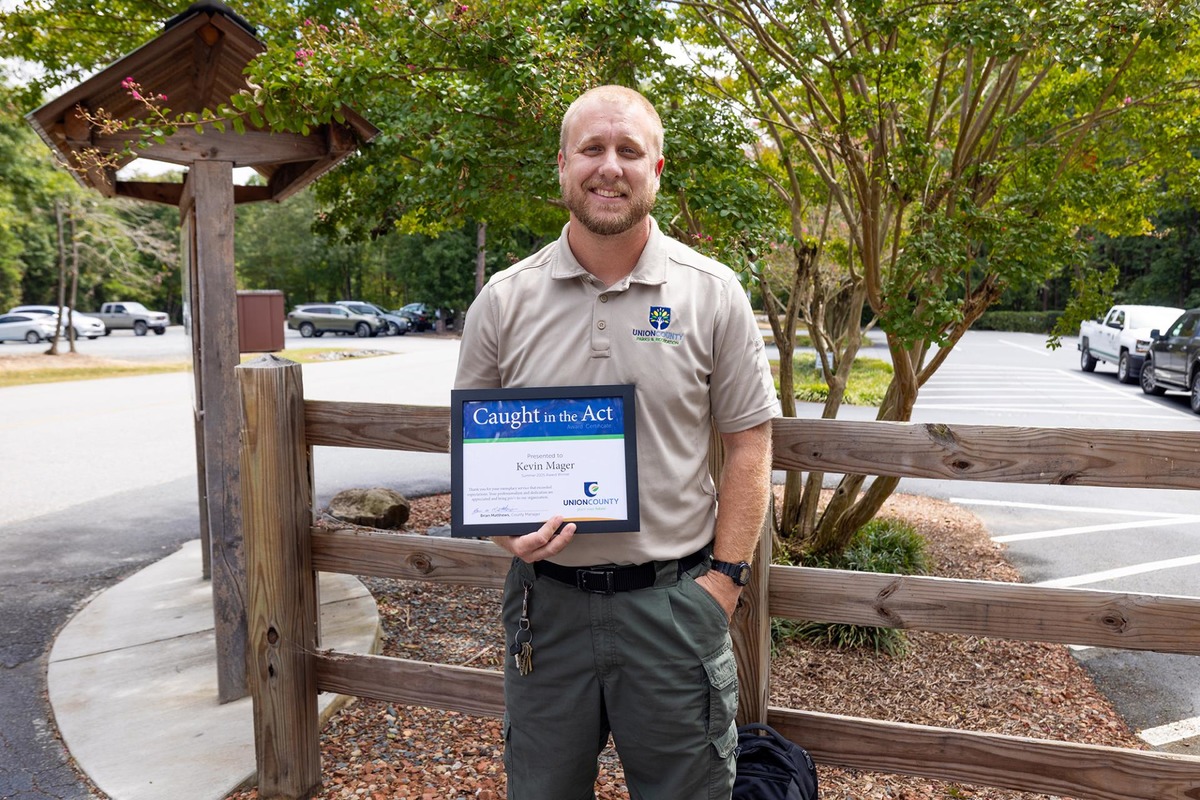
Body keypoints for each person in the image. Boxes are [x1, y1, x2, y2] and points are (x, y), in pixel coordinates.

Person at [454, 84, 780, 800]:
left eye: (629, 150)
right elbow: (476, 453)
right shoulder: (505, 300)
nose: (610, 167)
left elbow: (749, 444)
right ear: (563, 165)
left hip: (671, 606)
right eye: (593, 150)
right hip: (548, 609)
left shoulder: (712, 293)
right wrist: (505, 532)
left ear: (656, 168)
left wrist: (725, 581)